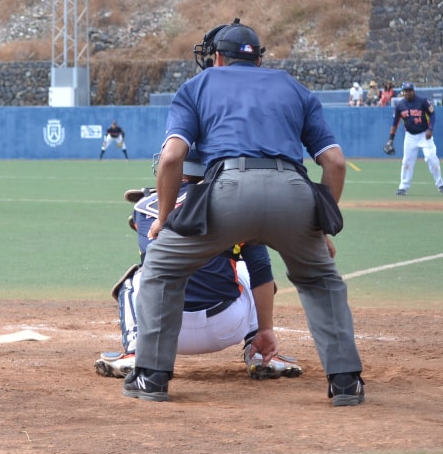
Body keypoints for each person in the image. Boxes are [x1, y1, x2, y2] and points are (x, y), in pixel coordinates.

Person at [125, 19, 365, 407]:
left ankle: (152, 377)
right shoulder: (293, 87)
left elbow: (171, 158)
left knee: (162, 269)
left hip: (228, 190)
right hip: (293, 192)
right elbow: (334, 163)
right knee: (322, 281)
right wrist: (321, 228)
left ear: (217, 57)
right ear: (257, 61)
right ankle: (346, 382)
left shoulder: (198, 86)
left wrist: (165, 218)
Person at [96, 148, 303, 381]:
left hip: (165, 332)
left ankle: (135, 351)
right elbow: (261, 269)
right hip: (227, 326)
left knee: (138, 277)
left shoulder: (145, 207)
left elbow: (149, 220)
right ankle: (260, 352)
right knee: (252, 269)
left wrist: (158, 198)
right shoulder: (242, 206)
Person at [388, 82, 443, 196]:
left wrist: (430, 129)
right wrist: (391, 139)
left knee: (431, 158)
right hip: (410, 137)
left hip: (425, 135)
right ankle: (403, 187)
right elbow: (395, 123)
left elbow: (432, 115)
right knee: (407, 162)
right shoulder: (400, 106)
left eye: (410, 90)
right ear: (403, 92)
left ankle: (440, 184)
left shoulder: (423, 101)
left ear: (413, 91)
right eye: (406, 91)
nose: (408, 93)